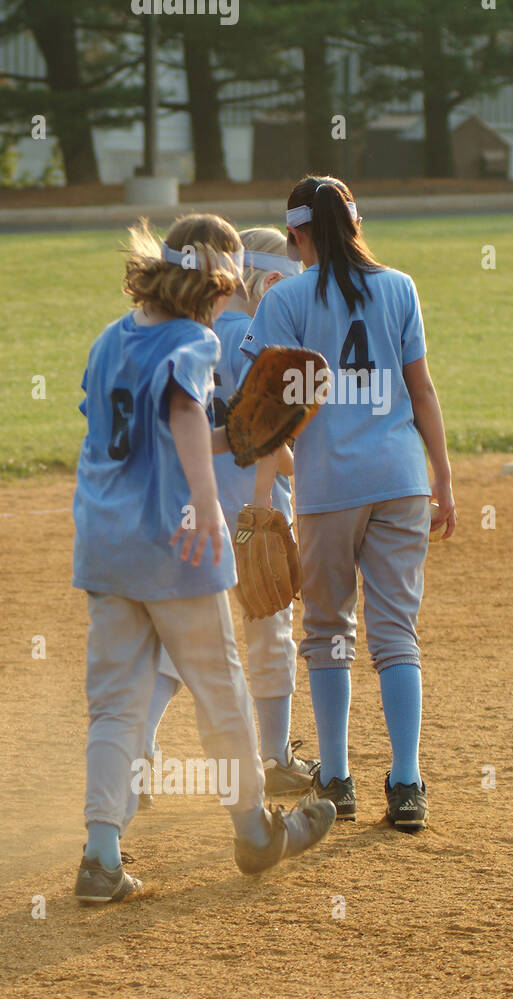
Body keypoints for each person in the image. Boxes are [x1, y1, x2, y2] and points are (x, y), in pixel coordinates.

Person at [71, 213, 336, 904]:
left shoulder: (109, 340)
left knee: (115, 707)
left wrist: (238, 440)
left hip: (105, 545)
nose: (227, 301)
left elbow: (136, 435)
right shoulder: (191, 339)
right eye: (226, 285)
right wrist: (205, 503)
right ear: (210, 282)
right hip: (174, 543)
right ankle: (255, 831)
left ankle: (101, 855)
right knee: (221, 694)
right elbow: (185, 415)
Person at [241, 175, 454, 832]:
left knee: (328, 631)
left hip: (329, 484)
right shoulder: (401, 287)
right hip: (401, 478)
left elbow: (259, 409)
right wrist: (443, 477)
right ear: (356, 224)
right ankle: (409, 782)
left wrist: (259, 499)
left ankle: (335, 780)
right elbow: (422, 392)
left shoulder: (288, 298)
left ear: (297, 235)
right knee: (397, 634)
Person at [140, 227, 317, 805]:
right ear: (267, 284)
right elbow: (266, 438)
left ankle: (139, 750)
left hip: (186, 508)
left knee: (176, 638)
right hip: (249, 509)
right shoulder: (263, 343)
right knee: (270, 629)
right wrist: (271, 494)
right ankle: (272, 756)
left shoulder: (190, 332)